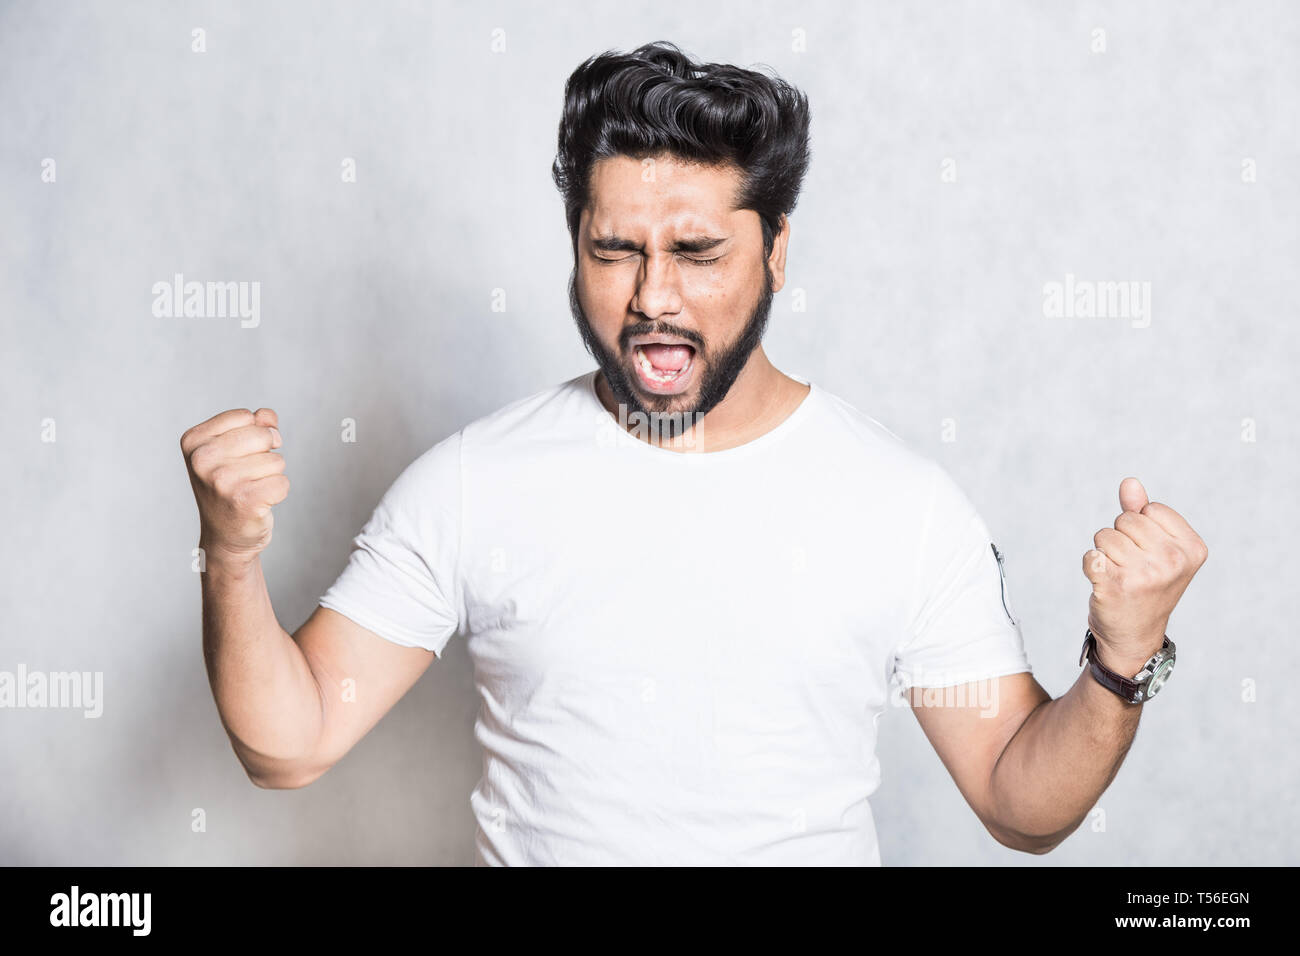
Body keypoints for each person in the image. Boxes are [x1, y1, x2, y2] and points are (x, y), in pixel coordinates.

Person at [180, 41, 1208, 865]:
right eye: (613, 250)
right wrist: (228, 555)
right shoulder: (474, 482)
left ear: (777, 250)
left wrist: (1120, 660)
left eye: (698, 252)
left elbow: (1017, 803)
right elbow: (291, 741)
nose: (652, 297)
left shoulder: (899, 503)